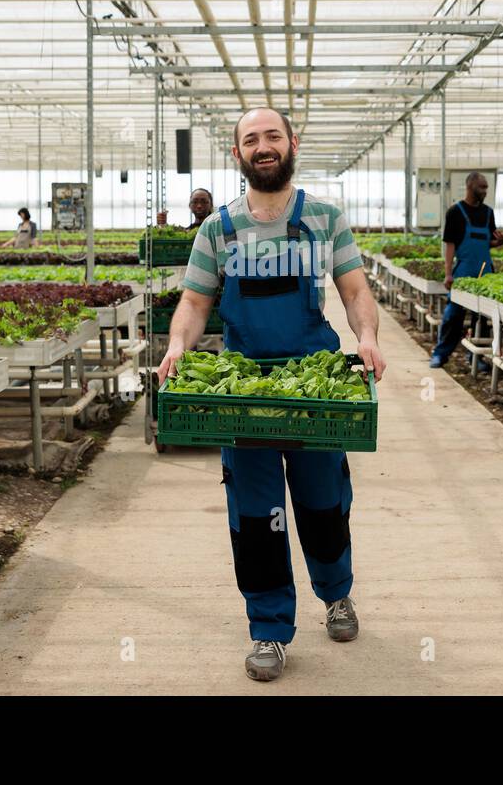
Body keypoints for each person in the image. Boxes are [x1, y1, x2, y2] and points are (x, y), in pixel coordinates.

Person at [156, 106, 386, 684]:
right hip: (243, 394)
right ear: (237, 154)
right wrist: (178, 346)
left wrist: (368, 337)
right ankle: (268, 629)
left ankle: (336, 594)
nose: (263, 146)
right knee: (257, 517)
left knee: (323, 503)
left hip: (315, 391)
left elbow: (354, 288)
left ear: (292, 144)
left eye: (273, 136)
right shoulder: (219, 229)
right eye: (251, 139)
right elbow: (194, 301)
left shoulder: (326, 219)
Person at [429, 172, 503, 369]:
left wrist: (500, 242)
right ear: (470, 186)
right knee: (453, 313)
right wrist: (448, 273)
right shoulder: (455, 212)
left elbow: (487, 242)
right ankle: (441, 353)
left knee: (481, 317)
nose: (485, 191)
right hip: (464, 269)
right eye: (482, 187)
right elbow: (450, 245)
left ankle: (475, 357)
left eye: (486, 187)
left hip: (485, 271)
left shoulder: (488, 213)